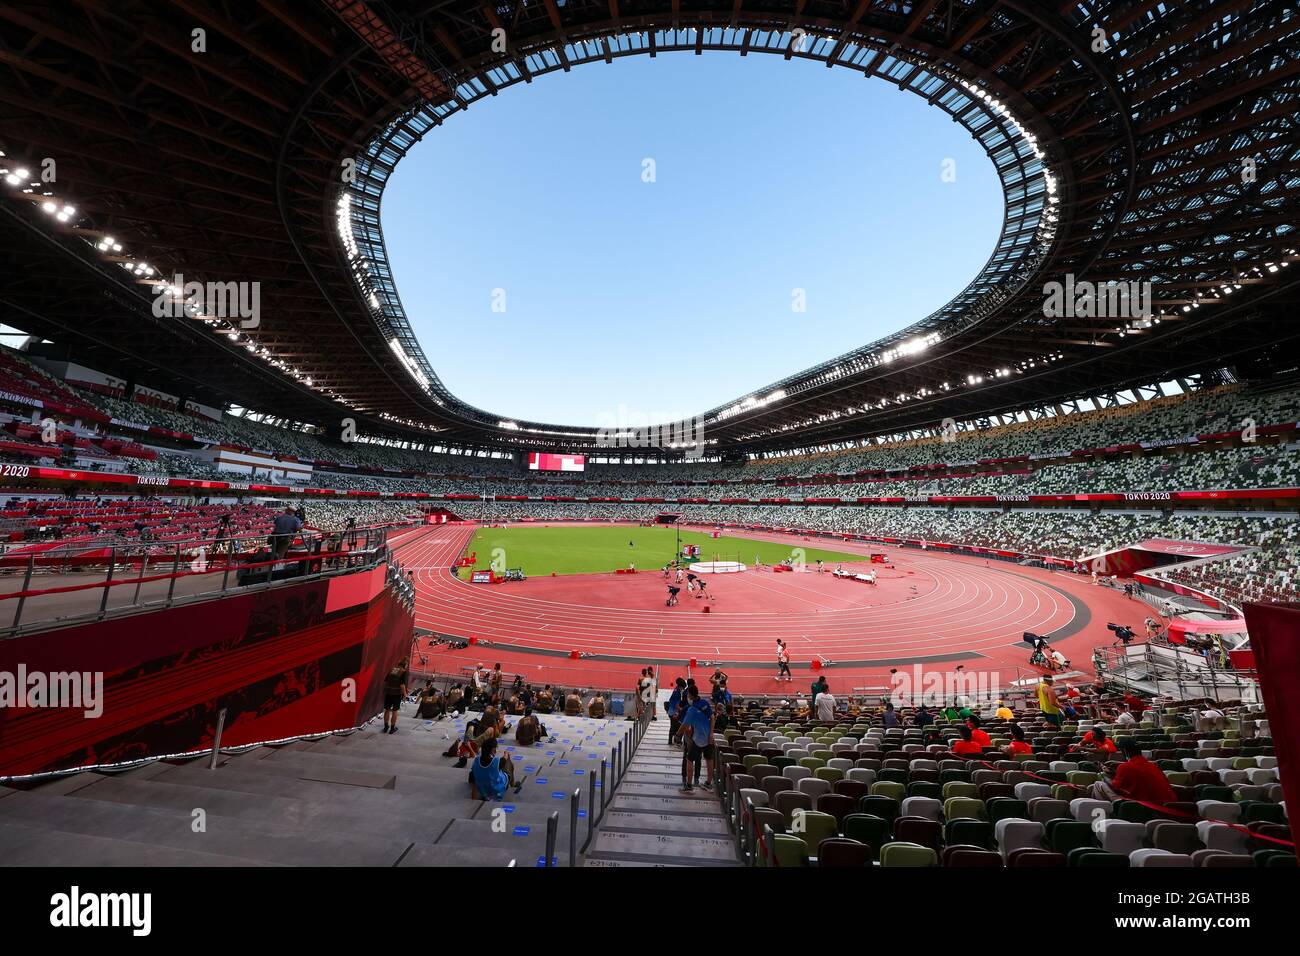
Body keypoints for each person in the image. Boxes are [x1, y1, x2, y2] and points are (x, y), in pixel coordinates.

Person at [1091, 738, 1176, 805]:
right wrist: (1114, 774)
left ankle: (1106, 816)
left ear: (1124, 751)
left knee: (1098, 784)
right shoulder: (1153, 765)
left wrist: (1104, 776)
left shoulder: (1125, 767)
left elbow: (1116, 788)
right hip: (1166, 804)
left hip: (1144, 805)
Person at [677, 684, 715, 792]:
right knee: (709, 759)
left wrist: (677, 735)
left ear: (690, 695)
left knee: (689, 760)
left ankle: (689, 786)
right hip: (708, 737)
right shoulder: (705, 703)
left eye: (688, 695)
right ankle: (708, 783)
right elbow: (712, 717)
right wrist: (711, 733)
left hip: (698, 739)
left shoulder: (691, 710)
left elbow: (684, 725)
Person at [470, 734, 522, 800]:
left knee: (499, 768)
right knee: (508, 763)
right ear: (493, 750)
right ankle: (513, 784)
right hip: (496, 790)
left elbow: (473, 778)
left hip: (483, 791)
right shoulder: (496, 761)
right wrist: (506, 753)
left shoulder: (476, 760)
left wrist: (474, 798)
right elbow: (505, 758)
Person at [381, 657, 408, 735]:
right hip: (396, 694)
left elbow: (385, 681)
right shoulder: (403, 672)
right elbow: (402, 685)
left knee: (387, 710)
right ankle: (392, 729)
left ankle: (386, 727)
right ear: (405, 664)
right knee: (395, 711)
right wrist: (405, 695)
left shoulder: (392, 670)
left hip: (388, 692)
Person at [665, 677, 687, 746]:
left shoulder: (676, 690)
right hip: (673, 712)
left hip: (671, 711)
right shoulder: (677, 693)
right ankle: (672, 741)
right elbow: (677, 705)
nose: (683, 689)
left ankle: (672, 740)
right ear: (681, 686)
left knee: (673, 726)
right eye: (683, 687)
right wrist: (681, 710)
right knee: (675, 726)